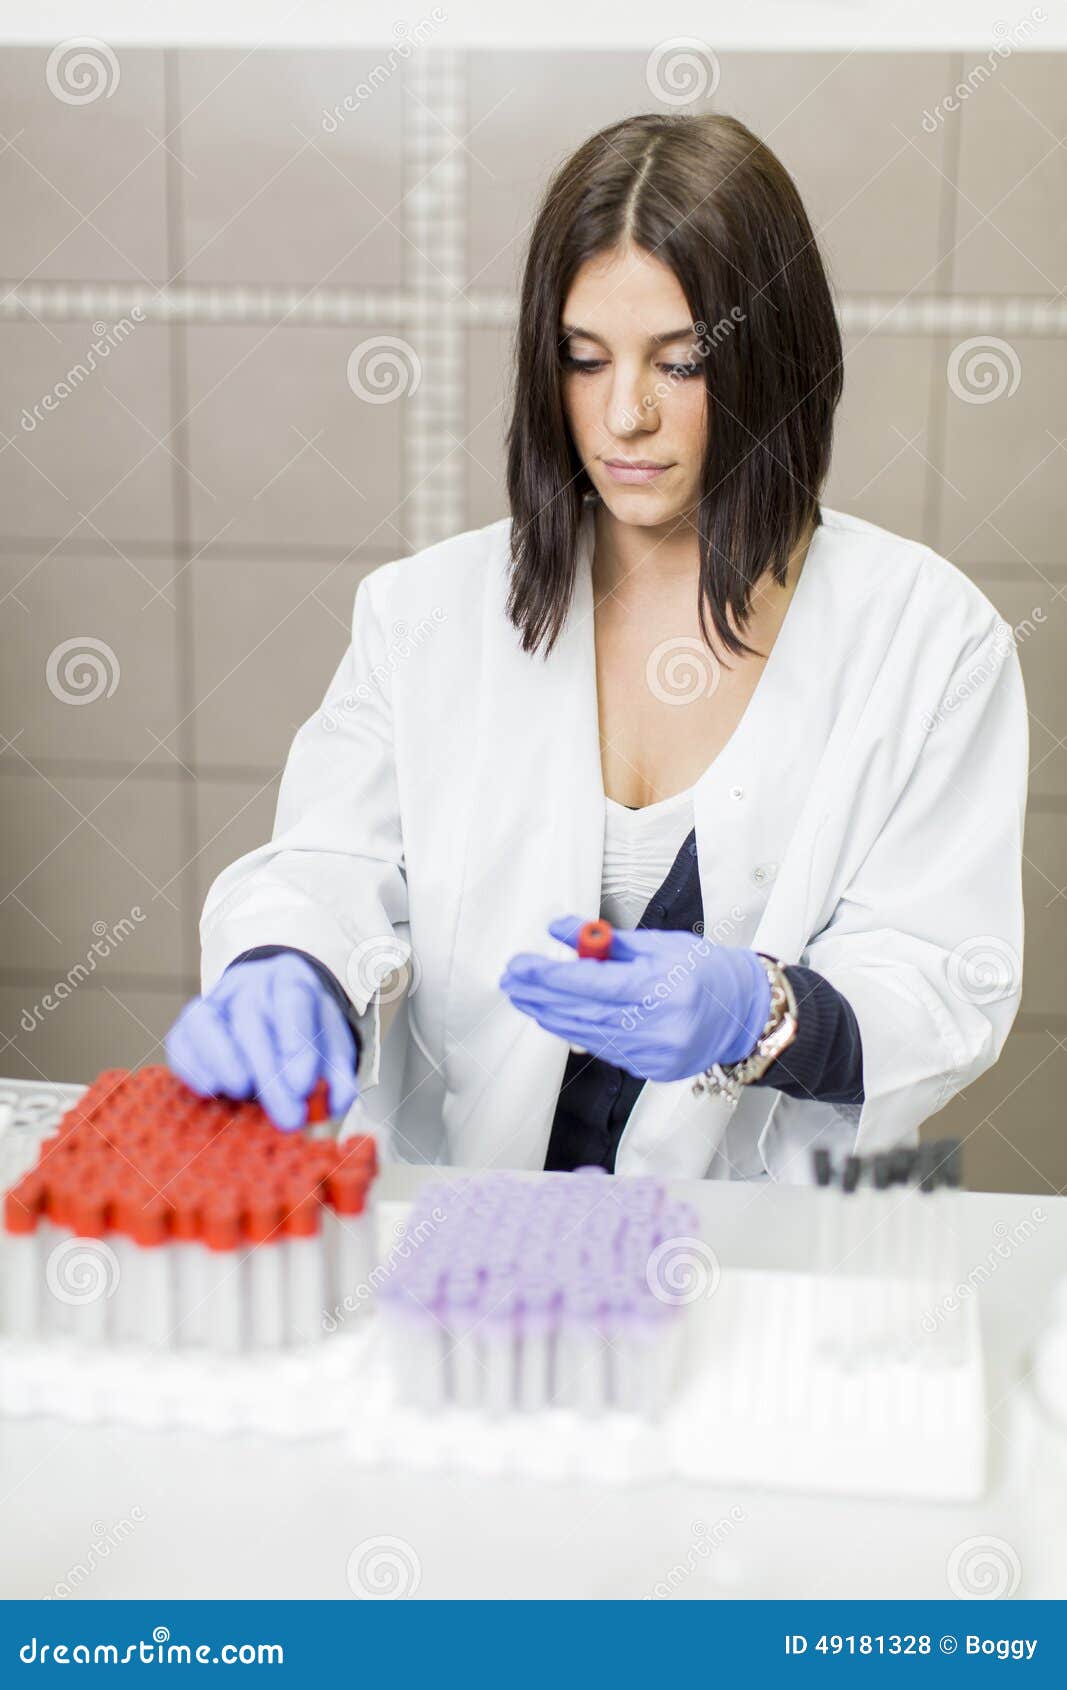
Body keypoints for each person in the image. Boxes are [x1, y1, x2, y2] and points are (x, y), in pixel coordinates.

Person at [166, 112, 1027, 1183]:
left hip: (766, 1264)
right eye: (582, 359)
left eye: (678, 364)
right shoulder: (428, 613)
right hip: (460, 1241)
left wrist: (761, 1012)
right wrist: (284, 963)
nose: (622, 414)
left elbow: (945, 977)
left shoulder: (926, 642)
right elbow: (328, 869)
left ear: (773, 357)